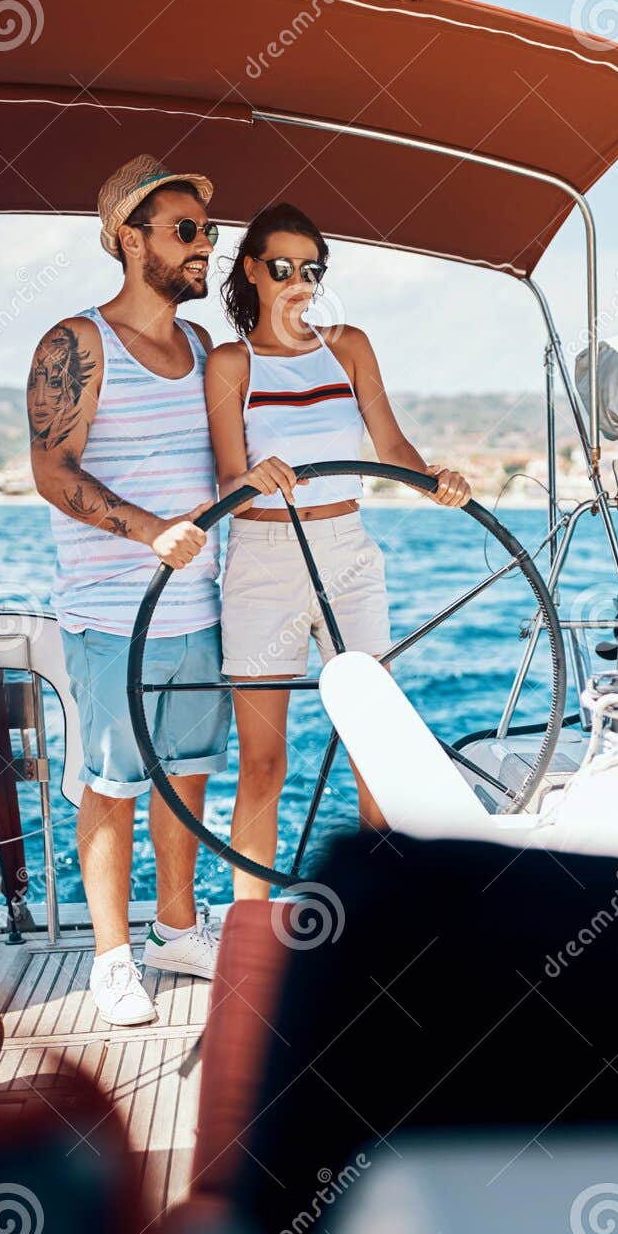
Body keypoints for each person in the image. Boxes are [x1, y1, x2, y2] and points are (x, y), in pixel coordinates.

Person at [27, 155, 294, 1024]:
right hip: (112, 614)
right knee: (113, 783)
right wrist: (150, 532)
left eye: (208, 233)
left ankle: (175, 929)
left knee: (187, 776)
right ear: (127, 239)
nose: (204, 247)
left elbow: (221, 467)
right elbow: (49, 468)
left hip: (201, 605)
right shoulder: (77, 344)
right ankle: (112, 959)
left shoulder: (208, 349)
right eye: (185, 232)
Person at [205, 202, 471, 895]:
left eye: (310, 269)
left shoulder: (348, 345)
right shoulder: (230, 363)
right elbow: (229, 476)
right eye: (282, 266)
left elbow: (389, 445)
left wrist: (431, 478)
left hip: (346, 552)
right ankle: (250, 925)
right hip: (262, 558)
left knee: (374, 749)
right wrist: (251, 478)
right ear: (253, 272)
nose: (298, 279)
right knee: (263, 764)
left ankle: (379, 913)